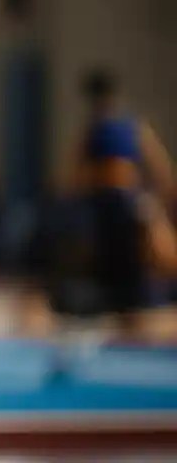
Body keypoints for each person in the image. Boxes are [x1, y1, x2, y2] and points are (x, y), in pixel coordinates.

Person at [64, 69, 175, 338]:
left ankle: (133, 312)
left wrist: (157, 201)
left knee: (131, 266)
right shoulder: (106, 129)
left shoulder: (127, 127)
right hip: (105, 207)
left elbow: (160, 168)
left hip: (119, 205)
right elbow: (76, 175)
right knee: (110, 268)